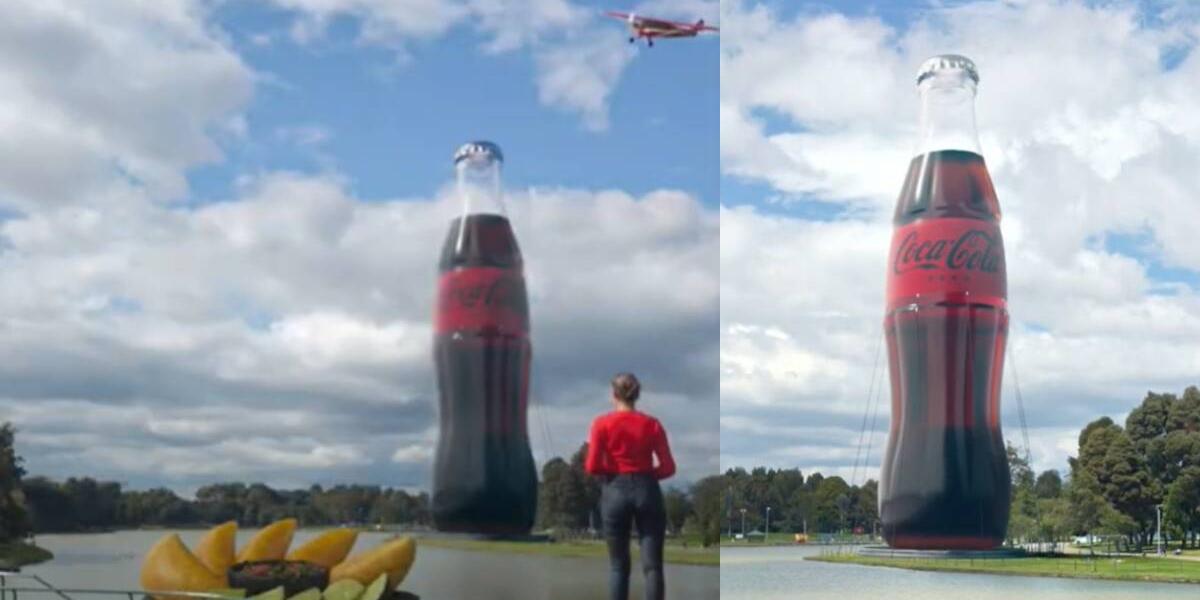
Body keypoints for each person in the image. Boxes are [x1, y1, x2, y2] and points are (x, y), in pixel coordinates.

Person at [585, 373, 676, 600]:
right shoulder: (652, 424)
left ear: (613, 394)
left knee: (618, 565)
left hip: (615, 490)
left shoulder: (601, 424)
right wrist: (646, 476)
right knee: (653, 566)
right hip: (647, 490)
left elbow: (592, 465)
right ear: (637, 395)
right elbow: (668, 467)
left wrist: (613, 475)